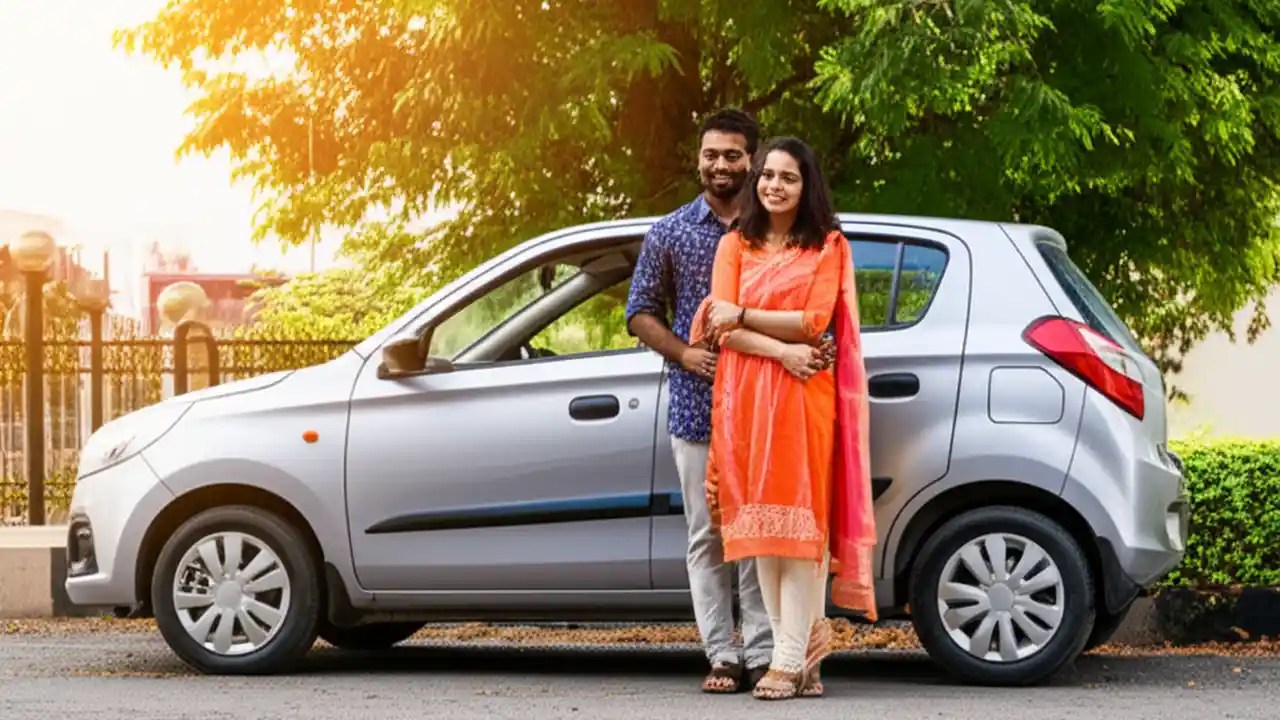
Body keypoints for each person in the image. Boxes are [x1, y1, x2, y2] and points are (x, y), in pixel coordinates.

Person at [690, 136, 878, 701]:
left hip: (803, 399)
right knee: (763, 535)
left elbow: (814, 320)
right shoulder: (735, 246)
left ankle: (788, 659)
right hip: (746, 397)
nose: (773, 185)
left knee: (799, 529)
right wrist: (782, 347)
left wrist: (748, 316)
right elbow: (720, 328)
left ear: (807, 185)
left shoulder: (827, 247)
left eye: (787, 177)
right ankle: (801, 644)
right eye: (767, 175)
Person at [625, 108, 780, 694]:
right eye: (711, 154)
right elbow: (639, 310)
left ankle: (765, 653)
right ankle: (722, 654)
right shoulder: (670, 231)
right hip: (697, 405)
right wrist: (685, 354)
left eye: (733, 155)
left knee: (757, 530)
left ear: (752, 160)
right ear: (699, 158)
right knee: (707, 534)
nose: (720, 165)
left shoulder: (773, 228)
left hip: (765, 403)